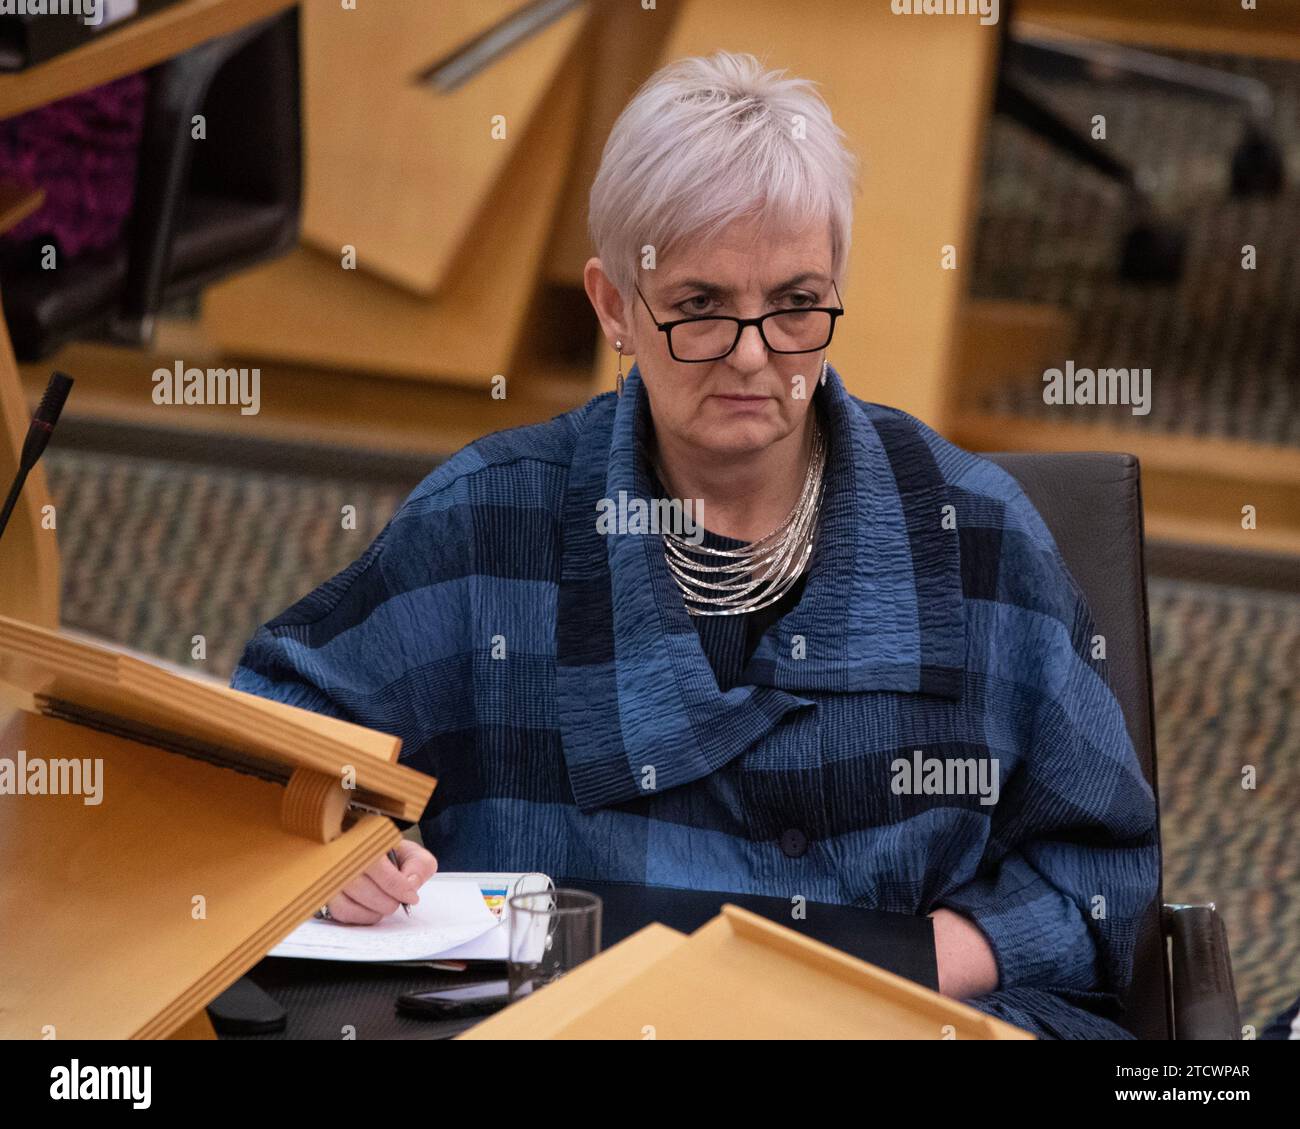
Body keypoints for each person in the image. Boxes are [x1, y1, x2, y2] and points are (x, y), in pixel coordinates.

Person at [232, 50, 1159, 1039]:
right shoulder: (486, 525)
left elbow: (1100, 874)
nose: (753, 354)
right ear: (614, 306)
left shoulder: (971, 528)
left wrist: (902, 964)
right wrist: (334, 832)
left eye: (796, 303)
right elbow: (270, 733)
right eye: (699, 307)